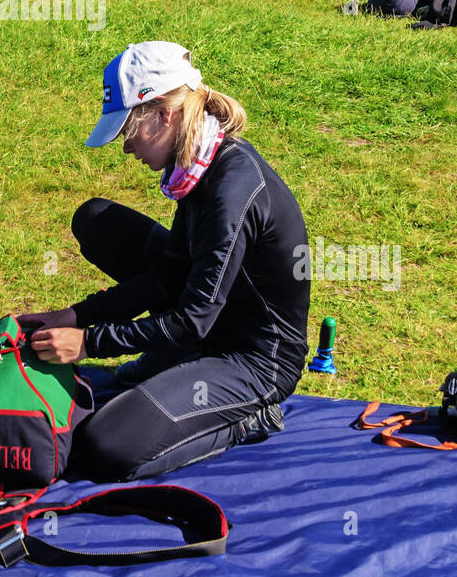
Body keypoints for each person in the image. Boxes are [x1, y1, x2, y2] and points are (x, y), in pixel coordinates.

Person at [20, 41, 310, 480]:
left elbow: (192, 319)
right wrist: (76, 316)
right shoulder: (197, 164)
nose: (124, 149)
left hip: (254, 359)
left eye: (127, 132)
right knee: (97, 220)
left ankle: (248, 417)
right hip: (210, 322)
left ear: (162, 114)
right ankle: (182, 364)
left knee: (104, 447)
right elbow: (166, 279)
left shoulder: (230, 193)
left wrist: (88, 344)